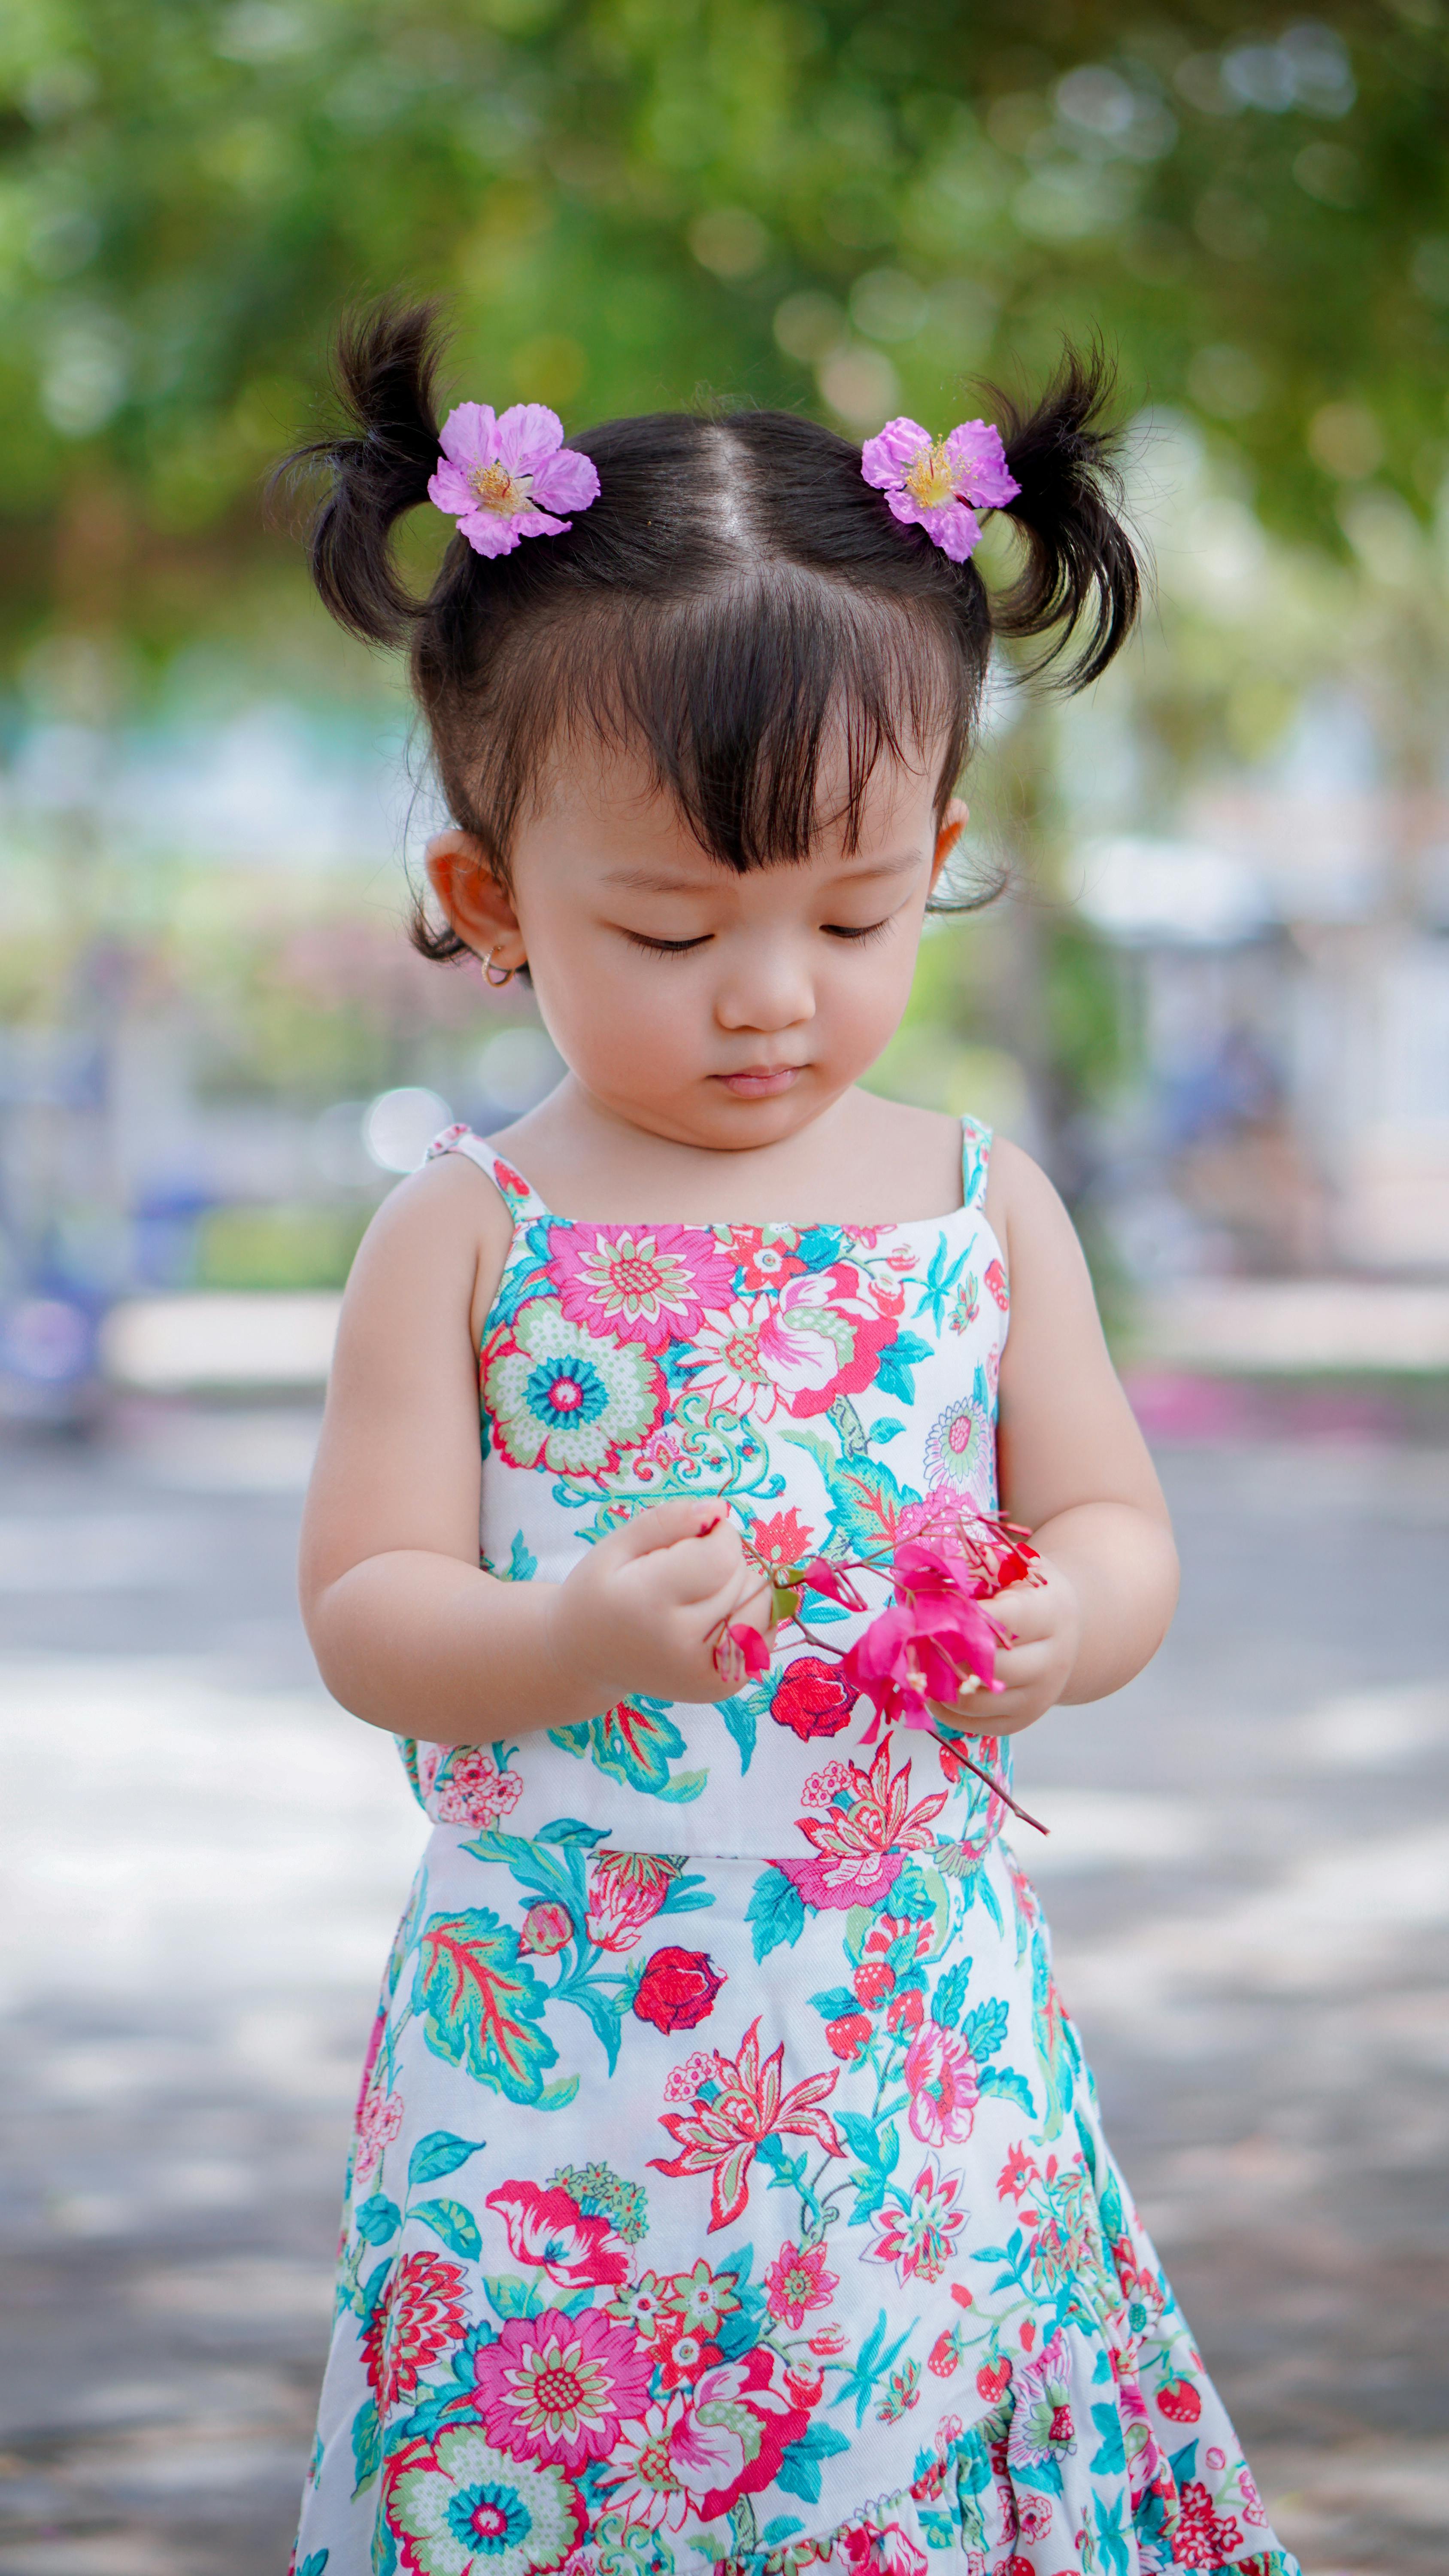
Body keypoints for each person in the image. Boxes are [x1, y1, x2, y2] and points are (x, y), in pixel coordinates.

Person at [282, 302, 1297, 2576]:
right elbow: (368, 1607)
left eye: (852, 913)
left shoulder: (969, 1202)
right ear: (487, 905)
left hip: (908, 2016)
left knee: (907, 2457)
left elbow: (1109, 1519)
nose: (772, 991)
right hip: (550, 2036)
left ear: (936, 846)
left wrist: (1065, 1623)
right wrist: (560, 1635)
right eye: (672, 923)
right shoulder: (467, 1233)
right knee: (552, 2470)